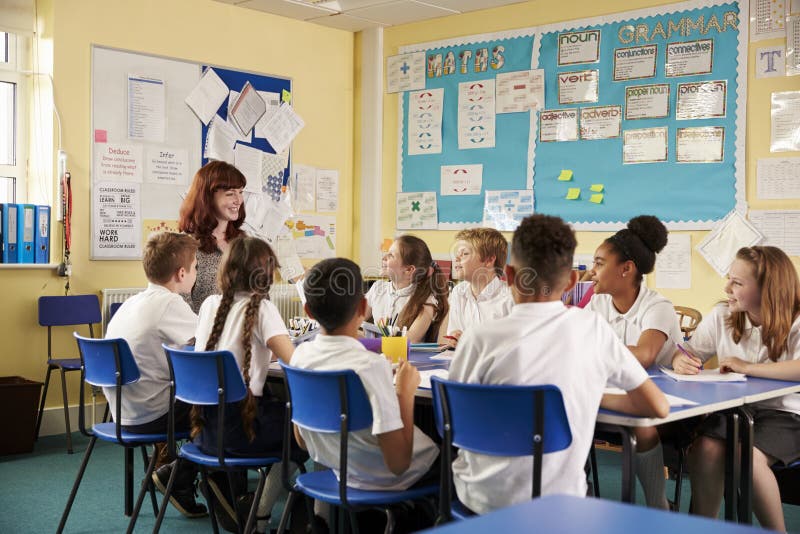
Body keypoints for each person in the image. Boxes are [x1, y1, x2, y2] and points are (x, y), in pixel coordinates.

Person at [447, 214, 669, 514]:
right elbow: (658, 407)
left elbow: (456, 418)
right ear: (573, 281)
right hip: (557, 502)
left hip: (479, 500)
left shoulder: (477, 338)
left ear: (510, 276)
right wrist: (591, 395)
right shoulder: (592, 328)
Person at [291, 258, 439, 529]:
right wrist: (404, 393)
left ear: (307, 312)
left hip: (339, 470)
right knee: (452, 458)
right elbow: (397, 463)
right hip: (387, 475)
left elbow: (301, 441)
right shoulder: (371, 366)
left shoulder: (299, 356)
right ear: (363, 307)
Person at [672, 246, 800, 531]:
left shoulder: (796, 320)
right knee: (704, 448)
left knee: (748, 459)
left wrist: (748, 366)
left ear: (767, 289)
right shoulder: (722, 315)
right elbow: (687, 352)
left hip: (787, 415)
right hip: (736, 411)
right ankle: (705, 527)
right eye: (729, 278)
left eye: (737, 282)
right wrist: (680, 359)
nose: (726, 287)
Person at [193, 236, 298, 532]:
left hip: (205, 431)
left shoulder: (210, 305)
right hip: (243, 431)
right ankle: (265, 515)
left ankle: (258, 510)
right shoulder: (262, 309)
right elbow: (298, 365)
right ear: (266, 274)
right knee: (311, 430)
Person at [104, 231, 207, 518]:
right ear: (182, 273)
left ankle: (178, 474)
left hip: (124, 413)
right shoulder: (170, 304)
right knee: (226, 405)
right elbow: (211, 341)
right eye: (196, 267)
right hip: (153, 415)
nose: (197, 273)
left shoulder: (132, 302)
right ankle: (180, 476)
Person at [585, 215, 683, 509]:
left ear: (626, 269)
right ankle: (580, 497)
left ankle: (658, 506)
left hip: (665, 403)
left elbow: (644, 355)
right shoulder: (597, 302)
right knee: (564, 411)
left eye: (600, 263)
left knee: (641, 425)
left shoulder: (657, 306)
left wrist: (595, 349)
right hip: (615, 395)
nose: (593, 271)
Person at [178, 160, 246, 313]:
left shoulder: (245, 243)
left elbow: (261, 296)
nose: (239, 200)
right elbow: (182, 307)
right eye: (230, 194)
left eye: (241, 192)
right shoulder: (186, 246)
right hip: (204, 334)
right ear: (207, 198)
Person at [365, 235, 449, 343]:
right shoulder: (377, 288)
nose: (384, 258)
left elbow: (408, 341)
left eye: (391, 255)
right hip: (379, 356)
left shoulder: (427, 301)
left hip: (406, 359)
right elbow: (352, 321)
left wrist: (366, 339)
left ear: (409, 269)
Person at [440, 228, 513, 349]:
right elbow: (454, 336)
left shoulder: (509, 298)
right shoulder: (458, 292)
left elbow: (514, 347)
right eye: (457, 253)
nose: (457, 258)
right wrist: (455, 338)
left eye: (464, 254)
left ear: (489, 260)